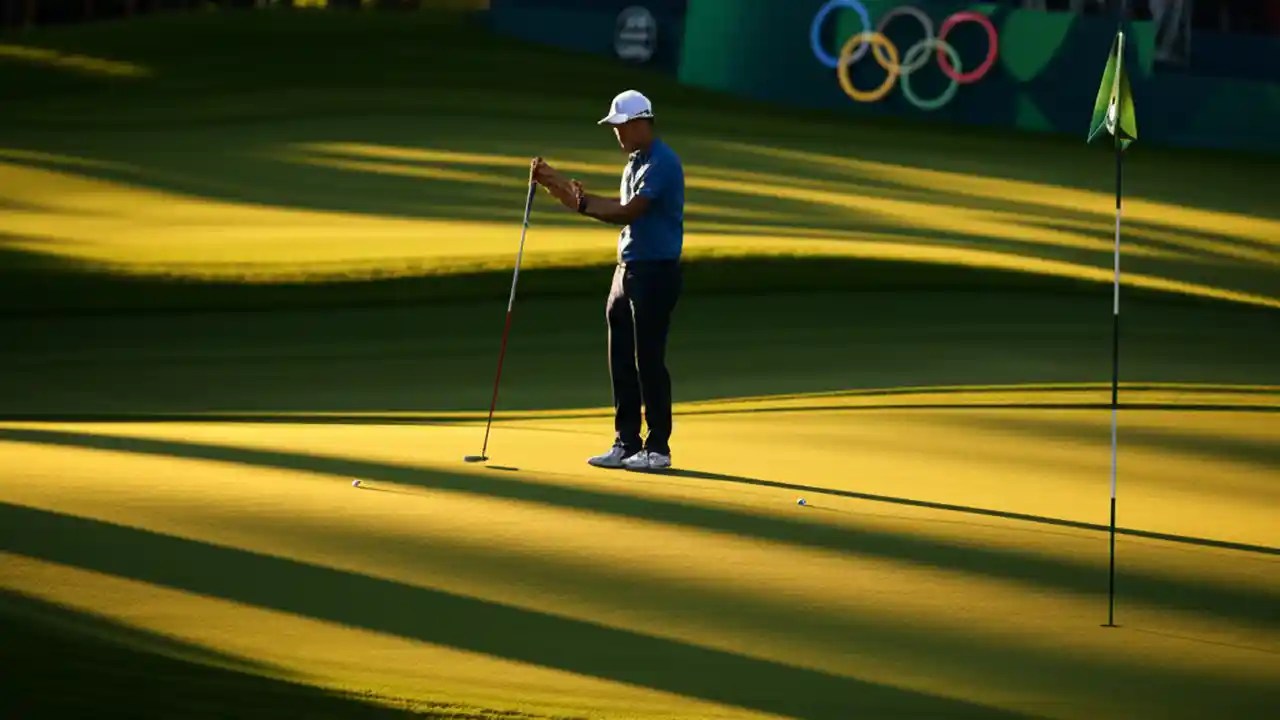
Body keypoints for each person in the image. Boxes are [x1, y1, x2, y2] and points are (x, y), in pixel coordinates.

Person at [531, 90, 685, 471]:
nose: (616, 134)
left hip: (656, 271)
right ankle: (627, 442)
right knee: (621, 360)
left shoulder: (663, 163)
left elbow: (626, 212)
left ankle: (658, 448)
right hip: (627, 269)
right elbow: (597, 206)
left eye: (619, 126)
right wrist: (554, 182)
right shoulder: (633, 163)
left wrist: (580, 200)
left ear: (638, 123)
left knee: (648, 360)